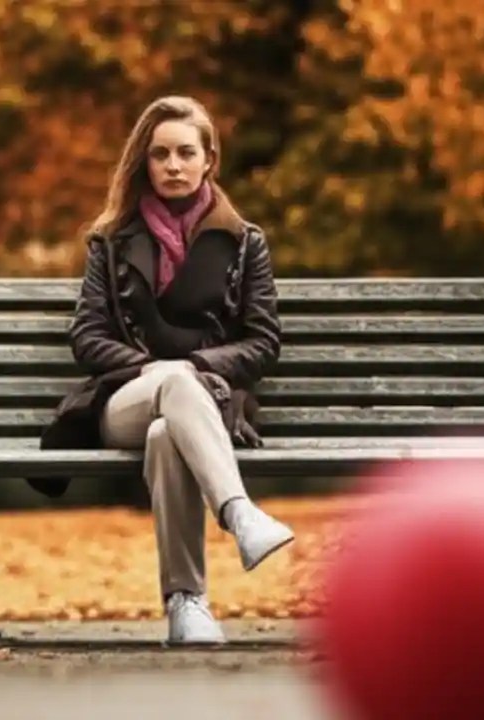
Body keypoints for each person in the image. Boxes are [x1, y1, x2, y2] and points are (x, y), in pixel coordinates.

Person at [36, 95, 295, 645]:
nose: (173, 165)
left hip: (209, 406)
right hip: (125, 400)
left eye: (185, 152)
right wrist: (155, 369)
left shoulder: (246, 243)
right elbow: (87, 336)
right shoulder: (109, 242)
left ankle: (187, 607)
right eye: (160, 155)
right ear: (144, 162)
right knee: (168, 391)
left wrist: (196, 367)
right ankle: (240, 512)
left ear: (209, 160)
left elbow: (264, 341)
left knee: (166, 434)